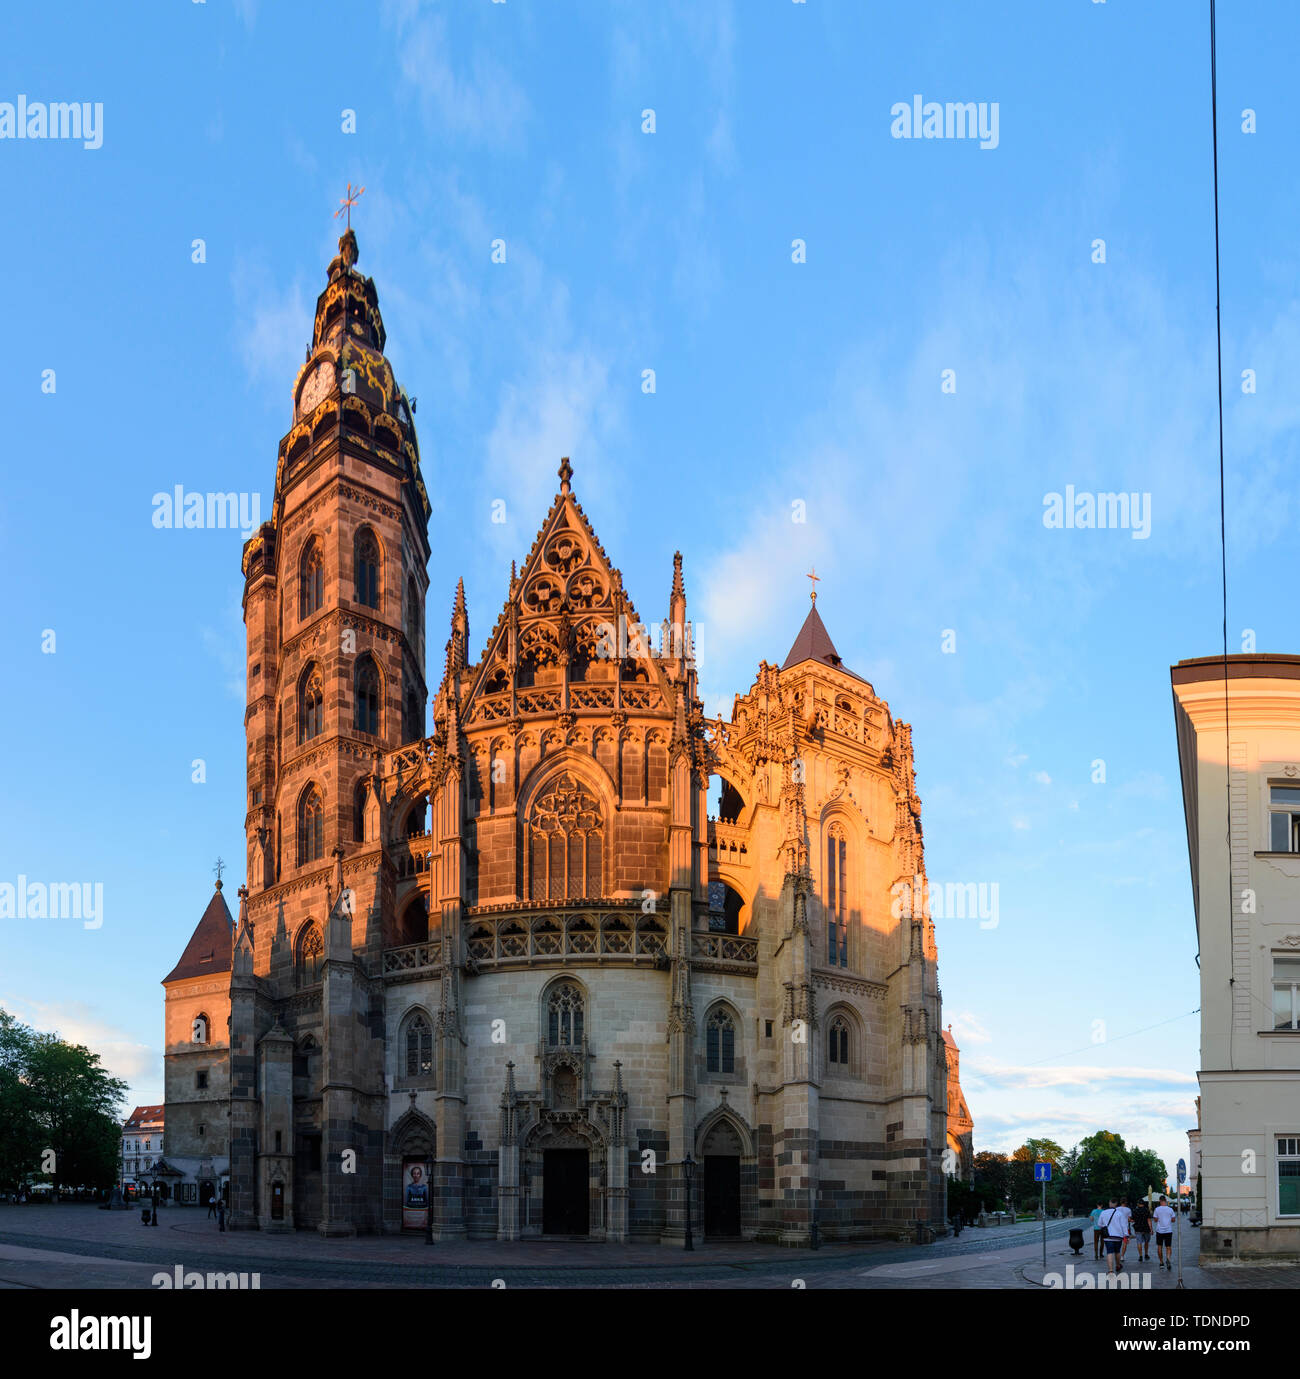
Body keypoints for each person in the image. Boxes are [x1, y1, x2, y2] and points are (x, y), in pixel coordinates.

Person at [1099, 1196, 1129, 1274]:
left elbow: (1100, 1224)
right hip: (1118, 1236)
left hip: (1107, 1236)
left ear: (1109, 1203)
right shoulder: (1120, 1214)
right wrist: (1126, 1235)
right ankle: (1118, 1265)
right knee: (1117, 1252)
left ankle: (1110, 1270)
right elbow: (1124, 1225)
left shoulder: (1103, 1212)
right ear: (1116, 1204)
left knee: (1109, 1252)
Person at [1152, 1195, 1176, 1270]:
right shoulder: (1170, 1209)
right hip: (1168, 1230)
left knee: (1159, 1246)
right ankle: (1168, 1259)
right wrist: (1168, 1219)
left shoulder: (1157, 1209)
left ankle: (1161, 1263)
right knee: (1168, 1247)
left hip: (1160, 1230)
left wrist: (1160, 1218)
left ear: (1160, 1201)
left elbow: (1155, 1220)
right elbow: (1173, 1220)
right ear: (1165, 1200)